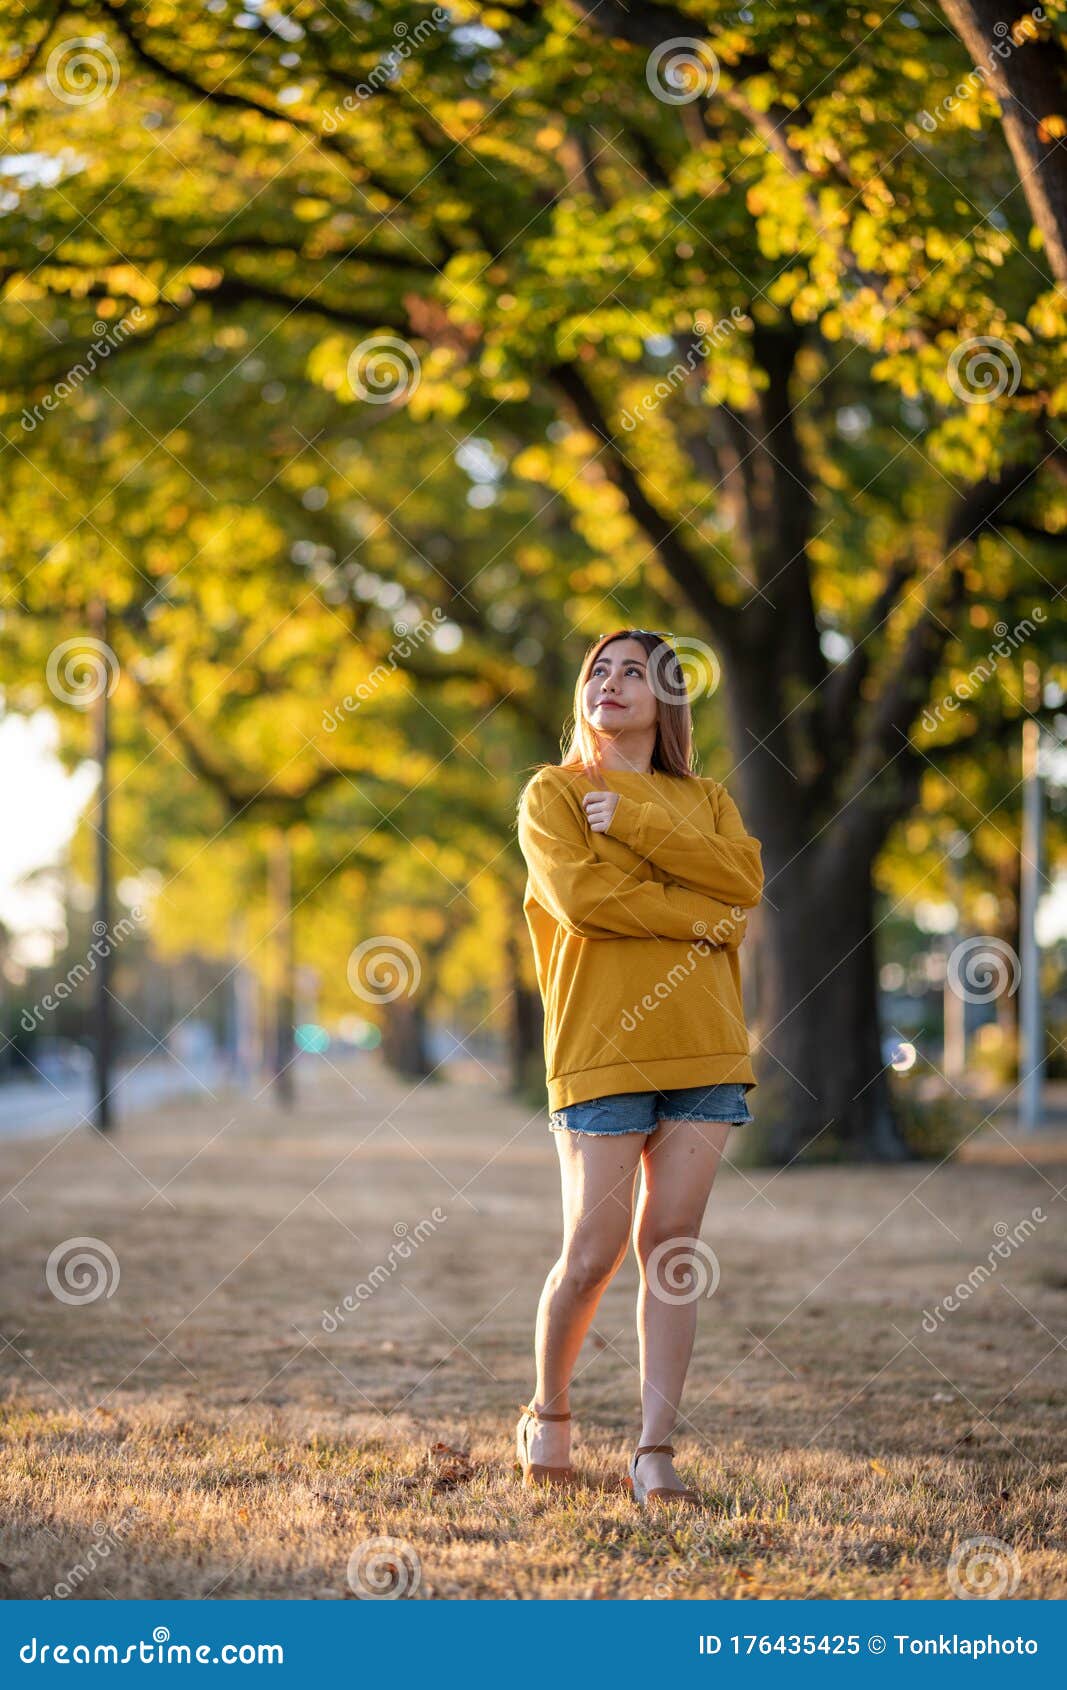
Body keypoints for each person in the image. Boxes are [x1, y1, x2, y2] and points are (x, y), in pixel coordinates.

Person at [514, 629, 763, 1505]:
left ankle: (653, 1451)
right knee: (593, 1251)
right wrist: (702, 921)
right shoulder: (552, 794)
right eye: (597, 670)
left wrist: (641, 822)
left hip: (706, 1048)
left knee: (672, 1251)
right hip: (599, 1051)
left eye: (632, 673)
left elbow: (743, 881)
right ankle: (549, 1413)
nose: (609, 684)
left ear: (666, 699)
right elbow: (583, 901)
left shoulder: (706, 800)